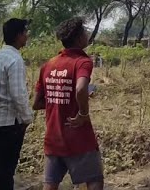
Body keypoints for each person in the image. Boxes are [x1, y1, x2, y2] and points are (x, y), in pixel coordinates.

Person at [34, 18, 102, 190]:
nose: (87, 35)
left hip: (53, 137)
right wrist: (83, 114)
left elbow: (37, 103)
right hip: (78, 139)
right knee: (94, 181)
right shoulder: (82, 62)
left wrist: (59, 99)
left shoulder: (49, 64)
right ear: (78, 38)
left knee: (50, 185)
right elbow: (80, 89)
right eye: (85, 32)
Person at [0, 19, 32, 190]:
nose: (27, 36)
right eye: (25, 32)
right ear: (18, 36)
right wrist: (26, 118)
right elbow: (18, 95)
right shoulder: (15, 60)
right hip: (8, 125)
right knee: (5, 172)